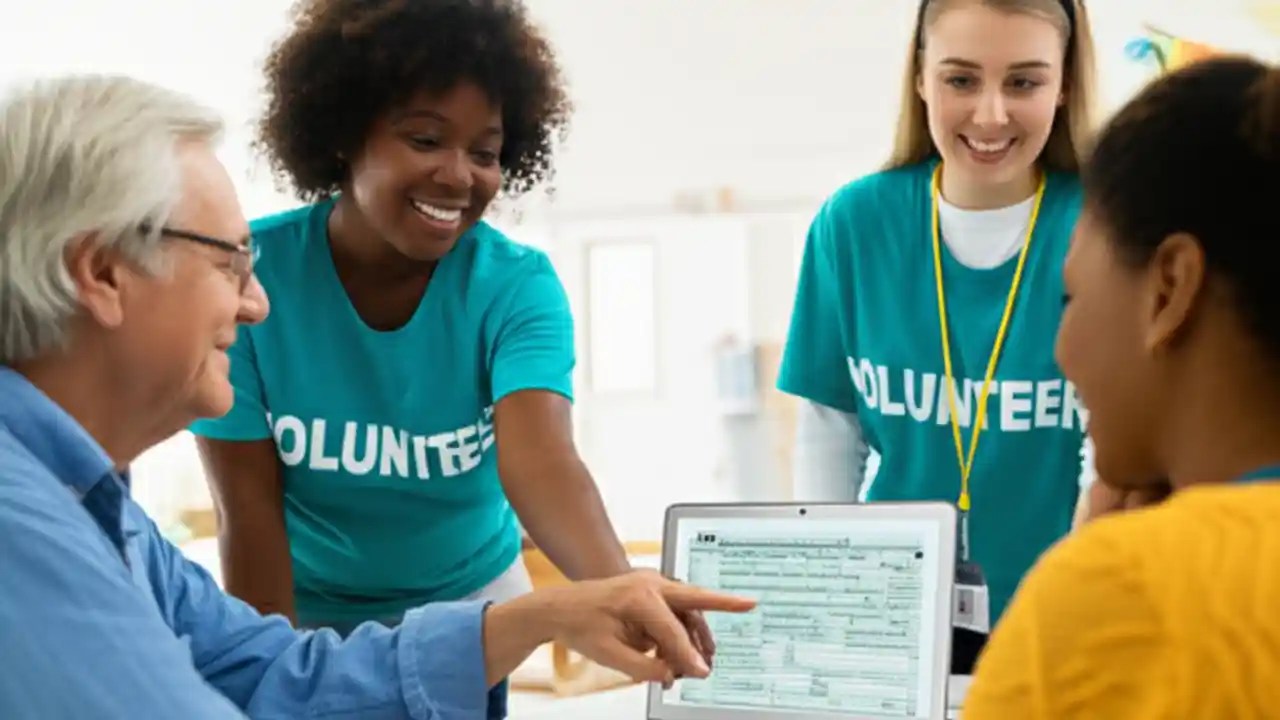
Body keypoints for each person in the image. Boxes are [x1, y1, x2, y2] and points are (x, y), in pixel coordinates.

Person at [0, 72, 755, 720]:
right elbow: (250, 528)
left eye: (484, 151)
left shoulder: (98, 508)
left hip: (456, 608)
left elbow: (264, 671)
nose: (256, 302)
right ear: (100, 273)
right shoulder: (28, 530)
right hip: (324, 609)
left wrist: (567, 606)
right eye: (229, 263)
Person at [188, 0, 630, 634]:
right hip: (317, 610)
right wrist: (270, 672)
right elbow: (247, 513)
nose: (458, 175)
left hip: (474, 600)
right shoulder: (253, 279)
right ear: (345, 134)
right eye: (425, 139)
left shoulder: (515, 287)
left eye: (484, 152)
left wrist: (623, 596)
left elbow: (543, 464)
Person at [963, 55, 1280, 718]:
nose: (1062, 350)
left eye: (1071, 296)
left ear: (1168, 288)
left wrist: (1108, 563)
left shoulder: (1117, 596)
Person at [777, 0, 1098, 627]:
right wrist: (829, 595)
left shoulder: (1103, 226)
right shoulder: (853, 224)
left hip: (1058, 615)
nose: (991, 114)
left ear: (1064, 86)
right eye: (961, 79)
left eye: (1024, 82)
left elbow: (1112, 458)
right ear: (921, 78)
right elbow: (828, 433)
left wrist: (1077, 605)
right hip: (890, 615)